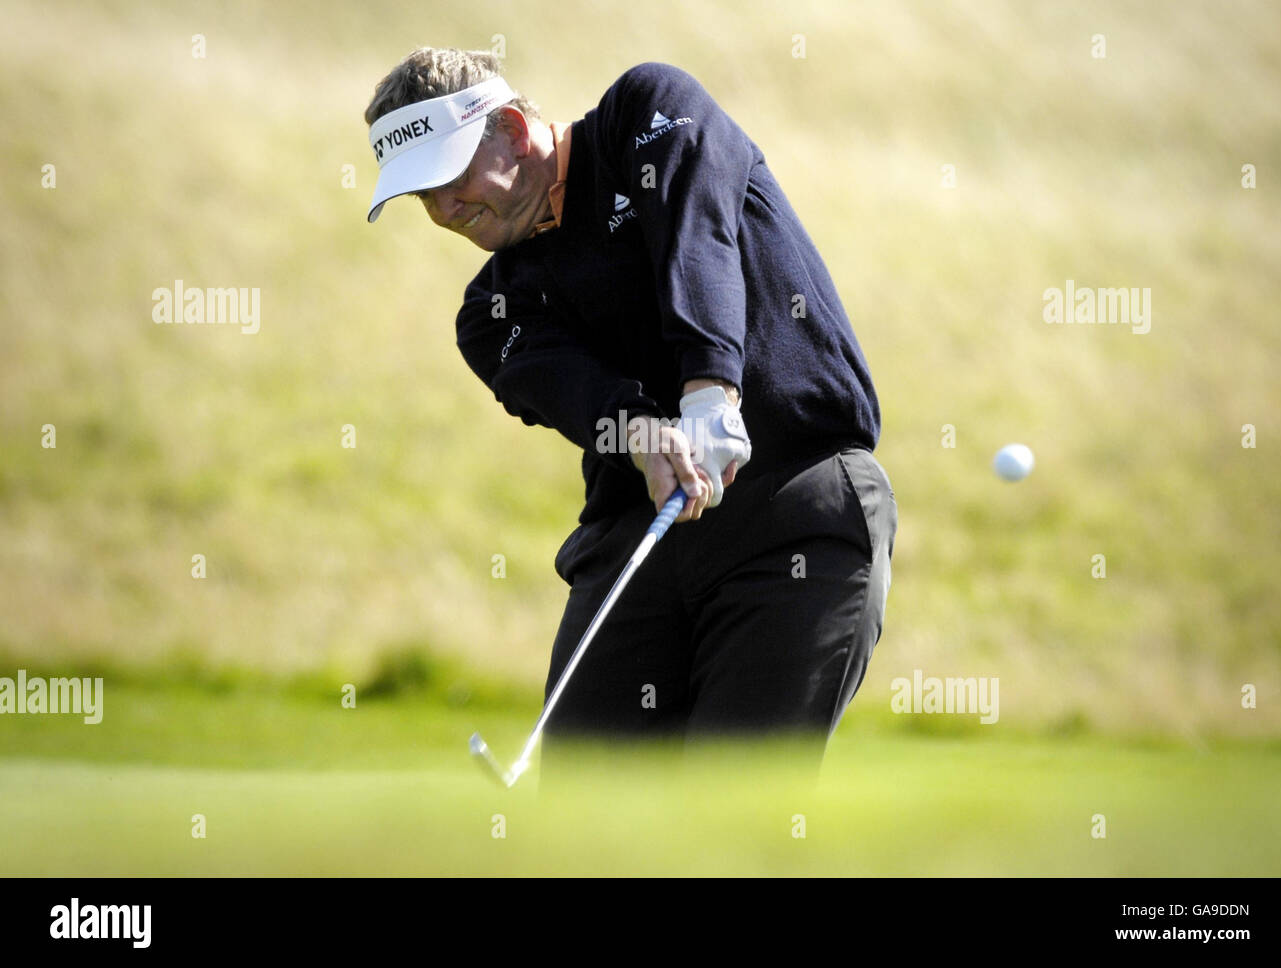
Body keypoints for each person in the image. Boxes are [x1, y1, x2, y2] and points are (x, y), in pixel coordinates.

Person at [363, 48, 897, 776]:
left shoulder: (646, 115)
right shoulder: (492, 314)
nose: (443, 211)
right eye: (422, 197)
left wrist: (711, 388)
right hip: (639, 540)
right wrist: (646, 434)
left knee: (732, 816)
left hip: (794, 514)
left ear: (516, 131)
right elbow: (588, 397)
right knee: (592, 827)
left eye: (448, 178)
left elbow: (695, 233)